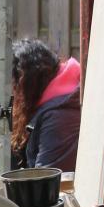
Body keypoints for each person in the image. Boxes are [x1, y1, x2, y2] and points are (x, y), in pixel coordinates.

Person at [12, 38, 81, 172]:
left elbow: (46, 181)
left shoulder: (59, 115)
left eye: (15, 85)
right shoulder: (59, 102)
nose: (14, 93)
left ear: (25, 80)